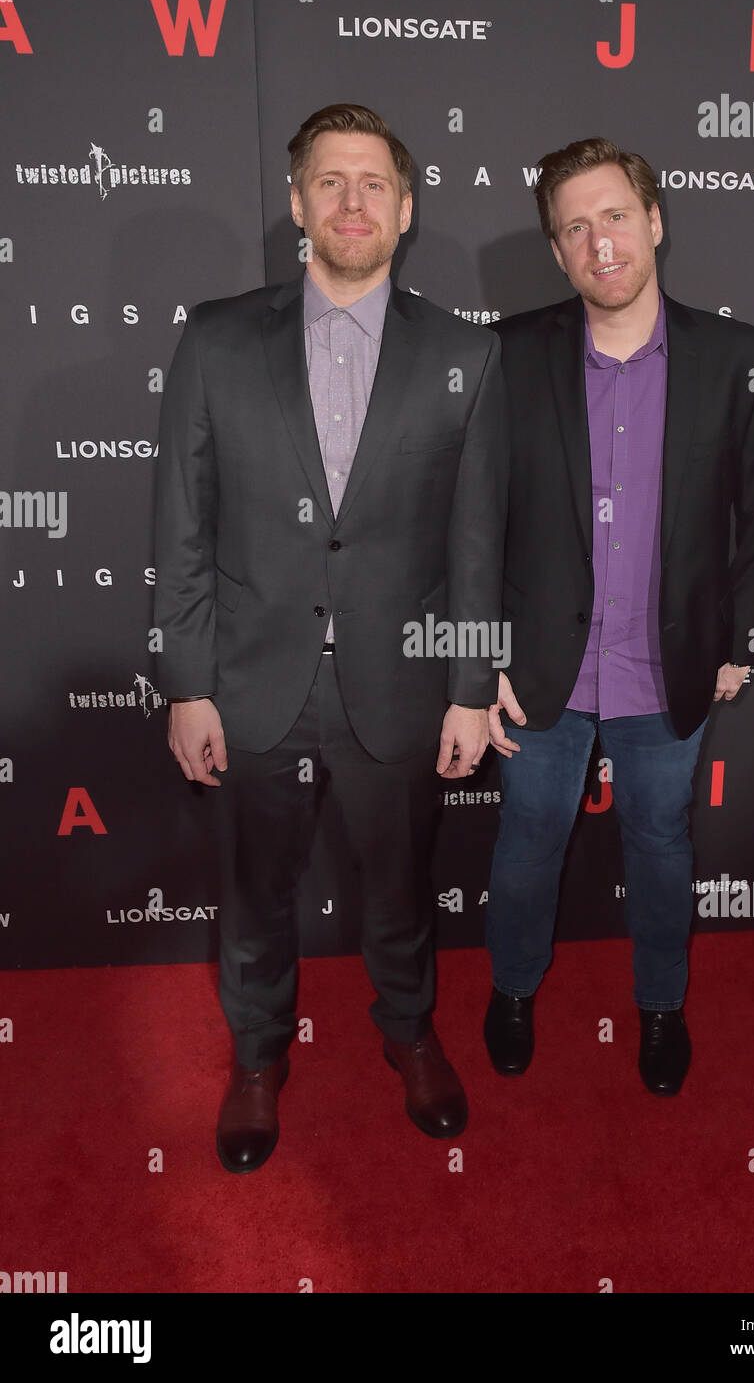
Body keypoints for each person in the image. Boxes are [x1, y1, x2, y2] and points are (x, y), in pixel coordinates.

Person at [153, 103, 506, 1172]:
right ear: (299, 201)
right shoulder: (217, 338)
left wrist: (469, 684)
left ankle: (408, 1032)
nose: (352, 202)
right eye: (330, 181)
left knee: (403, 889)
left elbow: (477, 541)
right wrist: (187, 683)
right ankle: (259, 1057)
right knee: (254, 895)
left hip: (402, 688)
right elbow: (183, 522)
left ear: (404, 210)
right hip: (253, 684)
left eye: (374, 184)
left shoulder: (465, 354)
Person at [482, 137, 754, 1095]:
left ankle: (660, 1006)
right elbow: (471, 515)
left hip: (671, 668)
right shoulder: (508, 352)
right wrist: (478, 652)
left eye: (614, 214)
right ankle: (511, 992)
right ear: (556, 251)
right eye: (573, 226)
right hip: (539, 665)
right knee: (526, 845)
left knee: (662, 848)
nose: (599, 241)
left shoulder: (735, 355)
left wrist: (741, 644)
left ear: (653, 221)